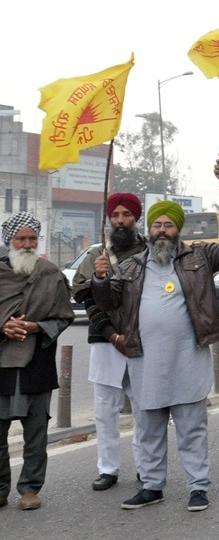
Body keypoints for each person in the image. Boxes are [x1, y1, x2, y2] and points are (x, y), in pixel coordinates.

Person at [91, 191, 219, 513]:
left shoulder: (199, 257)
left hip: (187, 359)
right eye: (157, 225)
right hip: (145, 362)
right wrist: (101, 277)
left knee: (192, 429)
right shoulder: (132, 266)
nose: (162, 230)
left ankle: (198, 487)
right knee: (148, 429)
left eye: (168, 225)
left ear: (178, 229)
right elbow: (108, 302)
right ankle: (151, 486)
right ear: (149, 230)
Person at [72, 193, 148, 492]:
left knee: (145, 408)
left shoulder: (150, 251)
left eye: (125, 215)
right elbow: (84, 297)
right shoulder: (96, 256)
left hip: (141, 339)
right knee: (105, 410)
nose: (119, 220)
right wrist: (110, 334)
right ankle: (108, 468)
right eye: (114, 215)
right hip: (105, 342)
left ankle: (147, 467)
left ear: (135, 218)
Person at [0, 214, 73, 511]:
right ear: (9, 242)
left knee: (35, 434)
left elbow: (64, 318)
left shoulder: (51, 274)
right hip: (1, 363)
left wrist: (35, 328)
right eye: (21, 239)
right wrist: (4, 327)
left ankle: (30, 488)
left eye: (32, 239)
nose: (27, 244)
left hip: (37, 364)